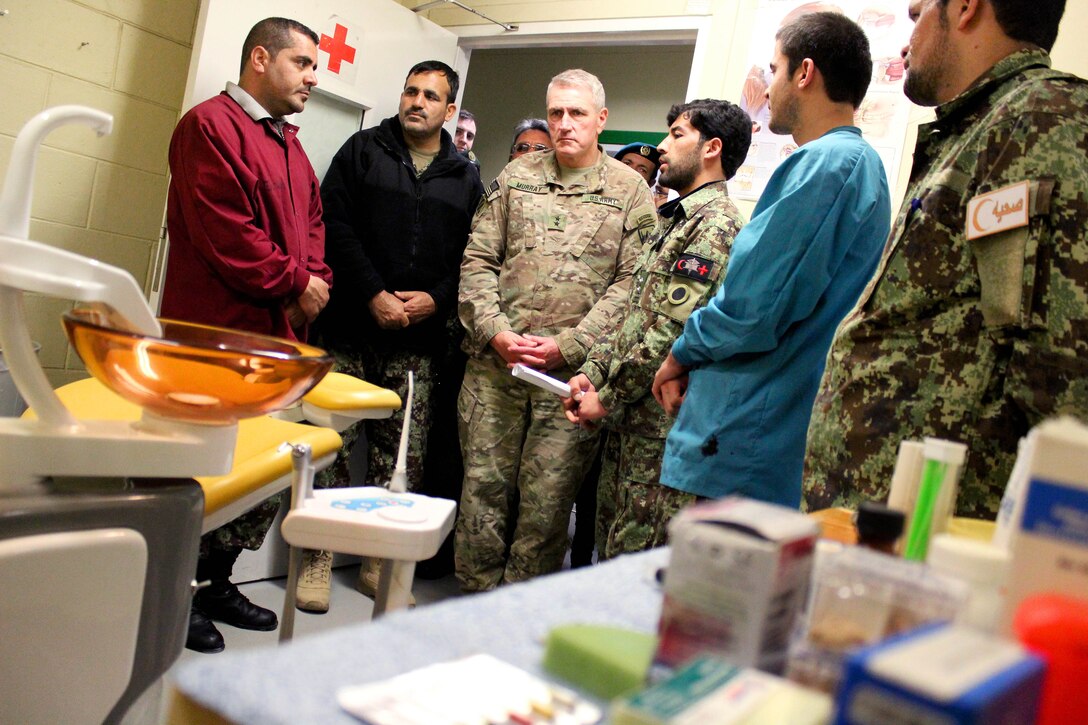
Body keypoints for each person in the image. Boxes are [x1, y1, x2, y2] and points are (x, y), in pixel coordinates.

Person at [804, 0, 1088, 518]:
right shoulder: (982, 127)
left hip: (948, 528)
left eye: (917, 15)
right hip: (898, 518)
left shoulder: (1042, 119)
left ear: (963, 8)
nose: (908, 37)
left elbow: (1063, 379)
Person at [650, 11, 891, 509]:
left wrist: (681, 355)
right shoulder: (845, 163)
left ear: (804, 73)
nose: (768, 82)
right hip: (763, 420)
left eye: (774, 68)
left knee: (719, 581)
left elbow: (753, 304)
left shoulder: (829, 163)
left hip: (757, 425)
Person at [161, 17, 331, 653]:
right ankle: (171, 592)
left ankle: (216, 581)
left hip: (273, 336)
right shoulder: (209, 126)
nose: (314, 77)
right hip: (212, 335)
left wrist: (315, 277)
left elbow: (313, 221)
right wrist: (297, 281)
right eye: (303, 63)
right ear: (261, 59)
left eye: (316, 67)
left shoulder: (289, 144)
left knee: (256, 471)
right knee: (197, 473)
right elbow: (225, 231)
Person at [456, 69, 656, 592]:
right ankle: (470, 606)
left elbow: (633, 285)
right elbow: (477, 261)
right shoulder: (516, 178)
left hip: (567, 381)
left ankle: (519, 620)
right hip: (495, 371)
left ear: (601, 120)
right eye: (556, 113)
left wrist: (573, 344)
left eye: (577, 114)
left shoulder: (630, 191)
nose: (564, 124)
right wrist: (496, 331)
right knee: (482, 494)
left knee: (546, 509)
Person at [302, 61, 483, 611]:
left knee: (400, 453)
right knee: (332, 445)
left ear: (449, 110)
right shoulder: (362, 151)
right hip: (352, 327)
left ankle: (378, 560)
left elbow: (472, 255)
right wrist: (372, 293)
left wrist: (438, 298)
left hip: (419, 340)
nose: (417, 102)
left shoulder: (465, 176)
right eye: (411, 90)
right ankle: (318, 559)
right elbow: (333, 226)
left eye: (431, 96)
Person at [565, 98, 752, 559]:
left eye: (676, 134)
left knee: (634, 564)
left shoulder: (715, 227)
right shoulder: (675, 221)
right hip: (627, 423)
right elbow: (634, 314)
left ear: (712, 148)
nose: (662, 146)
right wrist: (594, 369)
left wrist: (604, 397)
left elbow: (668, 334)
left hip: (658, 438)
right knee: (606, 553)